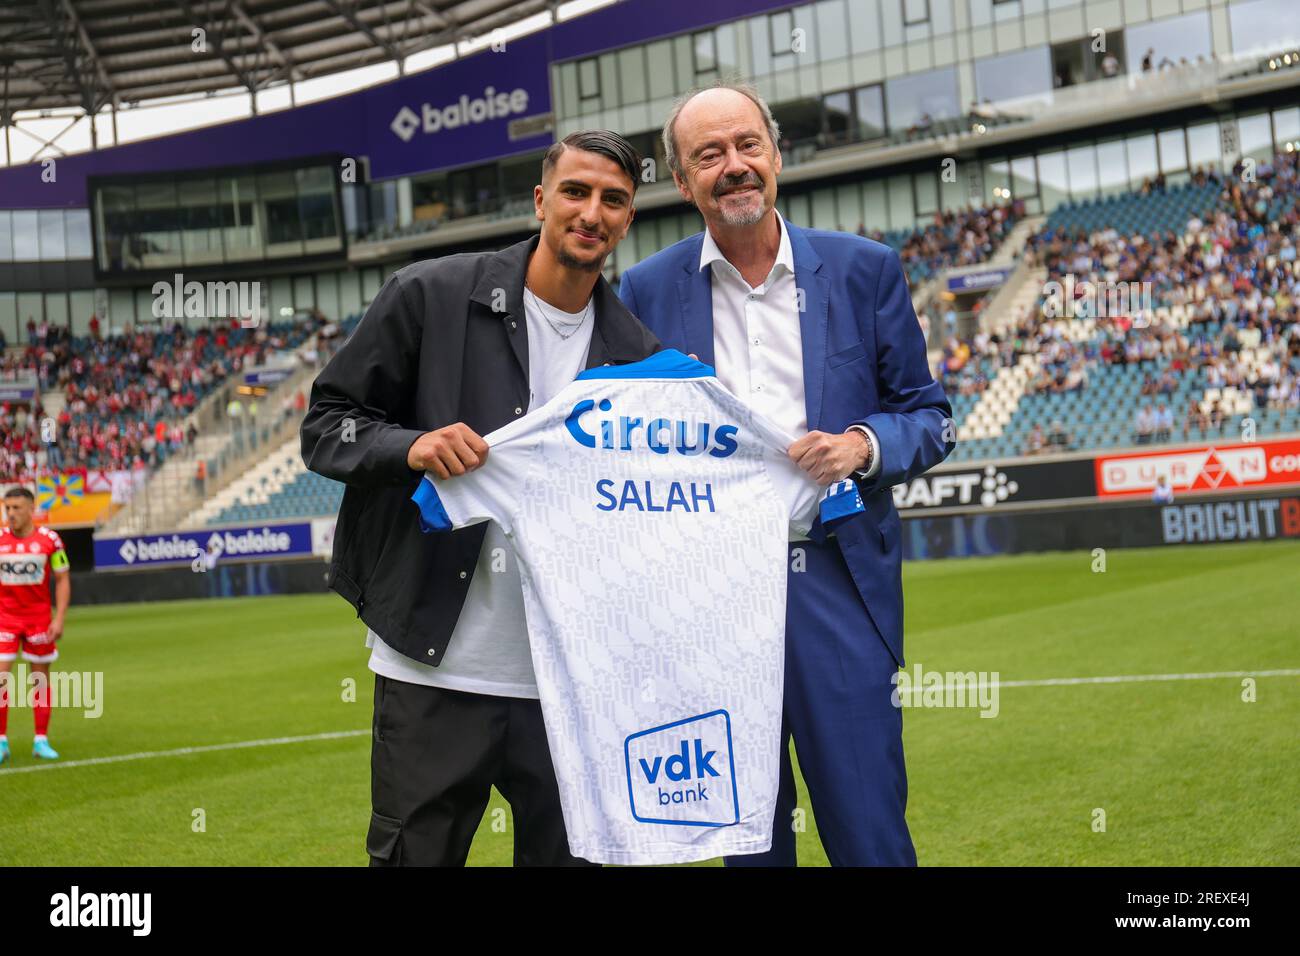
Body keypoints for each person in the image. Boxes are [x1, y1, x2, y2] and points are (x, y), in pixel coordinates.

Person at [300, 130, 660, 866]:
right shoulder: (428, 295)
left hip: (571, 681)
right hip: (435, 668)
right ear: (541, 200)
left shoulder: (643, 357)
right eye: (576, 191)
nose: (592, 212)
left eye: (613, 200)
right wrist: (412, 447)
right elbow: (326, 425)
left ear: (628, 220)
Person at [619, 83, 953, 866]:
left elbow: (929, 417)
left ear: (776, 155)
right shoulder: (644, 292)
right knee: (750, 842)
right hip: (713, 598)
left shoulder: (865, 269)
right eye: (709, 155)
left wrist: (862, 444)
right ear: (681, 180)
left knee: (869, 832)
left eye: (747, 146)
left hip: (835, 581)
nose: (733, 167)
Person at [0, 487, 72, 765]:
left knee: (39, 680)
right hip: (5, 618)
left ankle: (40, 740)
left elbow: (63, 578)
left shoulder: (50, 541)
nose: (11, 513)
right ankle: (1, 741)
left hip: (39, 619)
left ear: (31, 509)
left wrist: (60, 617)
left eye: (17, 508)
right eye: (7, 508)